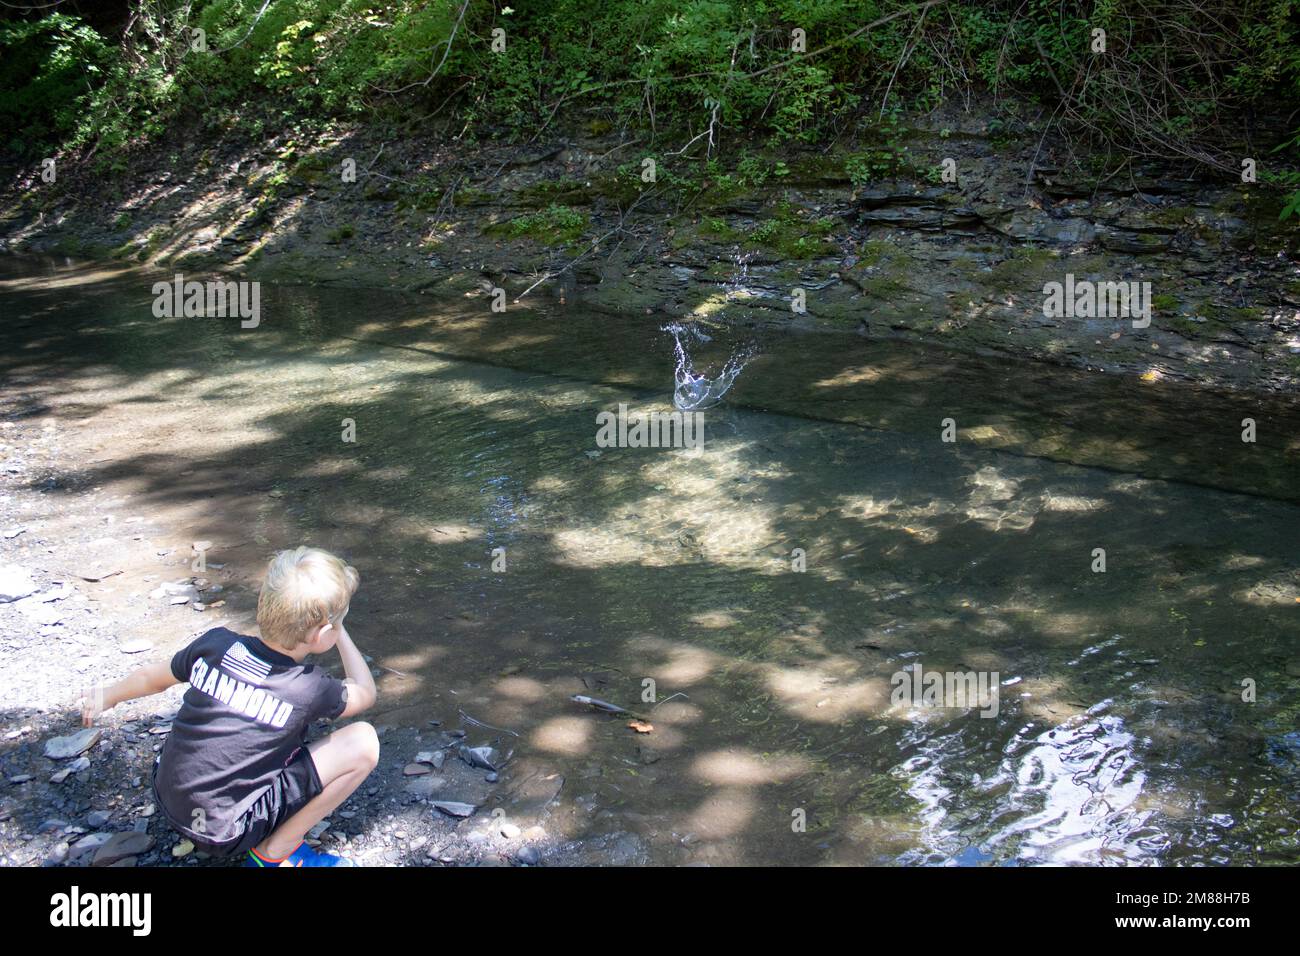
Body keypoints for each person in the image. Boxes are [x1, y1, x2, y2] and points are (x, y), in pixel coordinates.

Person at [77, 546, 379, 867]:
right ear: (321, 634)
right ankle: (274, 853)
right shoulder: (308, 687)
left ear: (264, 601)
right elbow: (364, 691)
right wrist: (341, 629)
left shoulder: (217, 645)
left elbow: (152, 677)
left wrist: (107, 695)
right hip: (224, 832)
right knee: (363, 742)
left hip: (168, 798)